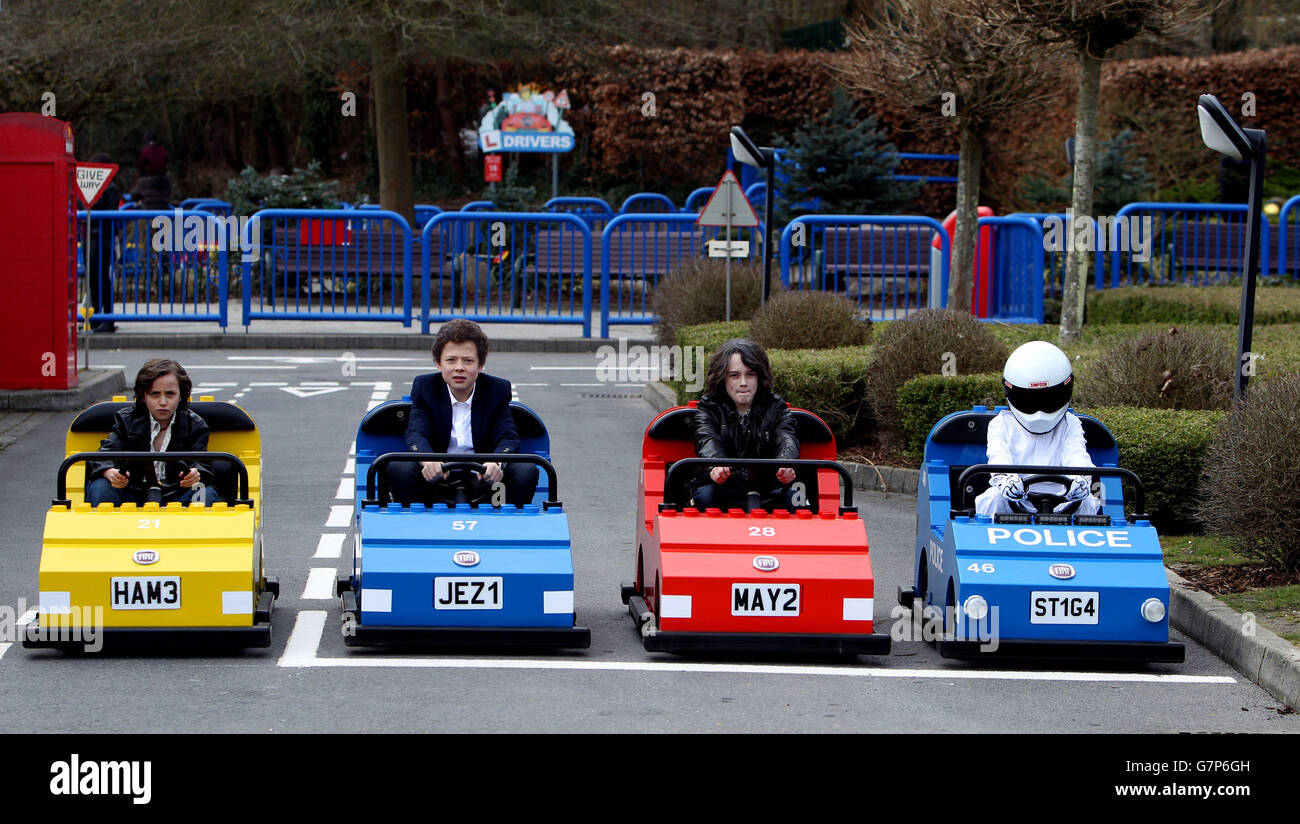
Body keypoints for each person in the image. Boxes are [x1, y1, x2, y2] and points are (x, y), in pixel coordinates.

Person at [388, 319, 539, 507]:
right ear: (438, 363)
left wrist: (496, 463)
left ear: (480, 364)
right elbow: (416, 433)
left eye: (468, 361)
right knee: (399, 468)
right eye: (451, 360)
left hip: (484, 482)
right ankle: (415, 528)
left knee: (525, 470)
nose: (459, 368)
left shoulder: (497, 390)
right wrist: (428, 462)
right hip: (437, 479)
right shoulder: (425, 387)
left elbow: (508, 437)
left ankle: (506, 529)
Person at [975, 341, 1102, 517]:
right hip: (1015, 500)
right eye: (1028, 400)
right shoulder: (1001, 423)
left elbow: (1077, 455)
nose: (1040, 411)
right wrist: (1006, 480)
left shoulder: (1070, 423)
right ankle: (984, 544)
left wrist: (1080, 480)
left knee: (1087, 501)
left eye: (1049, 399)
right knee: (993, 498)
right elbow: (998, 457)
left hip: (1063, 501)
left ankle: (1088, 543)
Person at [86, 358, 220, 507]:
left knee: (203, 491)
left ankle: (194, 530)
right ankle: (107, 530)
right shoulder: (127, 421)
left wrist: (195, 474)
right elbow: (103, 455)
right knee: (100, 486)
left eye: (170, 394)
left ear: (181, 395)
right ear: (144, 396)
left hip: (178, 495)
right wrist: (110, 472)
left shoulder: (196, 426)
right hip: (132, 494)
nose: (163, 402)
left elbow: (203, 464)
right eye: (154, 394)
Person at [690, 338, 799, 512]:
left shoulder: (776, 407)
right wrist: (716, 465)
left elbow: (786, 437)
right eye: (734, 375)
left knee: (796, 499)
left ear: (760, 377)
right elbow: (707, 438)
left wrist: (786, 463)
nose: (743, 382)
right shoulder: (709, 408)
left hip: (768, 490)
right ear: (722, 378)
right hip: (722, 490)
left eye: (750, 374)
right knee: (705, 496)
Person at [87, 152, 121, 333]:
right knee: (93, 279)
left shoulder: (111, 188)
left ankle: (107, 318)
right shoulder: (92, 187)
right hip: (91, 237)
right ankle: (97, 317)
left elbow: (110, 212)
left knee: (103, 278)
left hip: (104, 237)